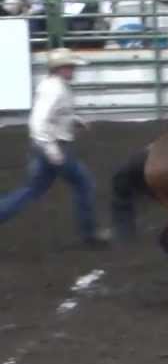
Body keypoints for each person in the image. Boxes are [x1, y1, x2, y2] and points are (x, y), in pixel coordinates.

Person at [0, 49, 111, 248]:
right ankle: (90, 234)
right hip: (53, 147)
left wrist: (74, 120)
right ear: (59, 68)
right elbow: (39, 122)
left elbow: (55, 115)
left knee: (30, 191)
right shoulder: (56, 90)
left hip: (43, 147)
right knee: (84, 183)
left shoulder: (54, 86)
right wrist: (52, 150)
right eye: (70, 66)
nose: (73, 70)